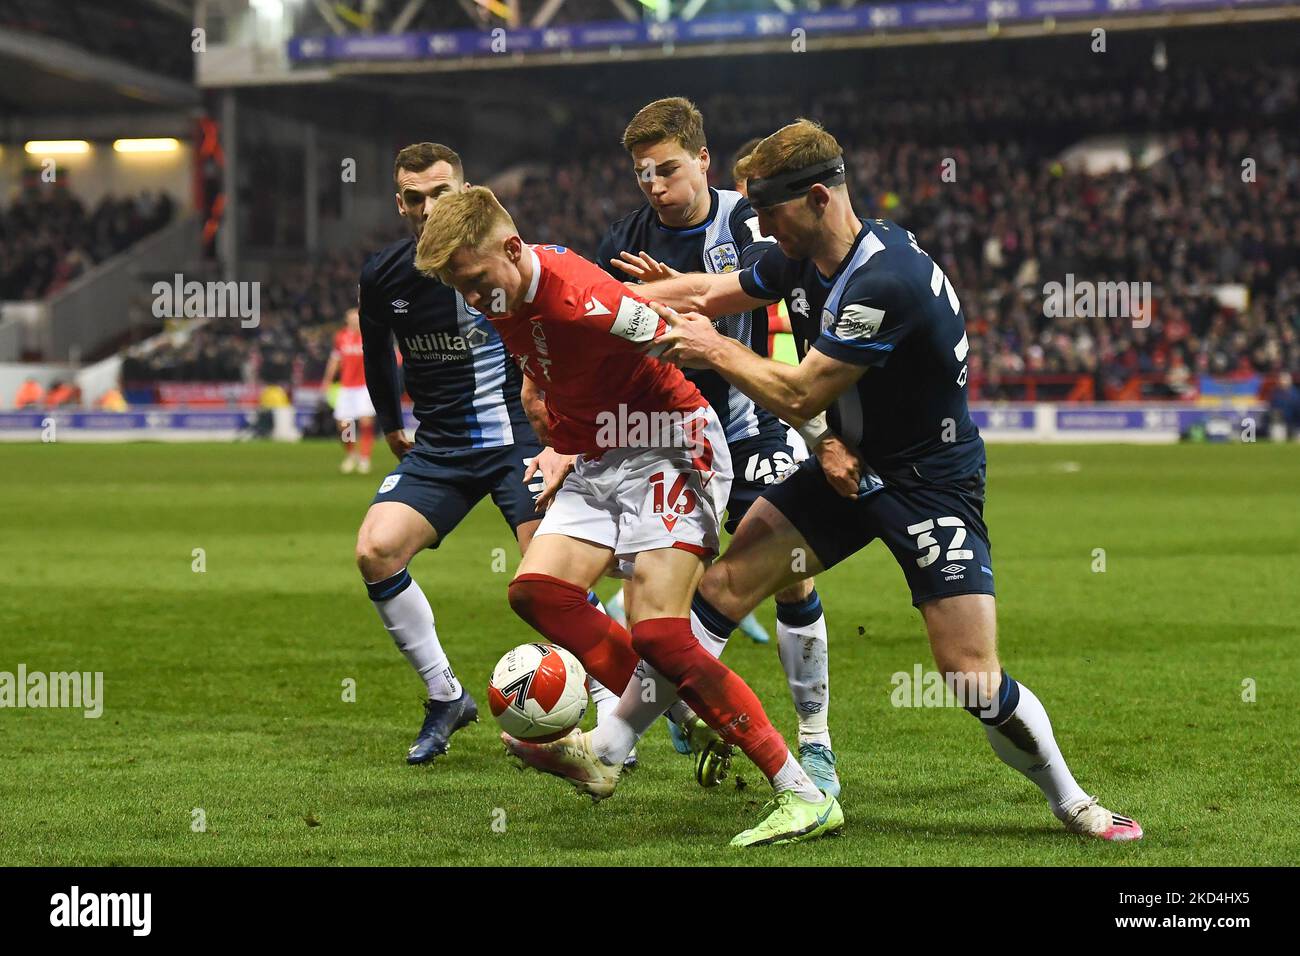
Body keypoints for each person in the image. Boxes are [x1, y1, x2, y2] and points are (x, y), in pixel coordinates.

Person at [621, 119, 1143, 842]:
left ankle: (1071, 799)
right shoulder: (806, 252)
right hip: (842, 465)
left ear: (813, 200)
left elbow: (801, 393)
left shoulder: (882, 280)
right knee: (722, 590)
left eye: (766, 212)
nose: (757, 226)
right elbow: (719, 289)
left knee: (969, 675)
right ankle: (615, 748)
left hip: (926, 482)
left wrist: (710, 350)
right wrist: (629, 303)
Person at [417, 185, 843, 846]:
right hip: (598, 451)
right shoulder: (499, 291)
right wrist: (560, 441)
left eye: (472, 282)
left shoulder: (581, 298)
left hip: (672, 444)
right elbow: (543, 368)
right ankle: (677, 712)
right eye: (458, 287)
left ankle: (801, 791)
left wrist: (822, 436)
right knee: (537, 591)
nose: (471, 299)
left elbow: (682, 335)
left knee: (662, 638)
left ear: (510, 248)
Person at [593, 97, 842, 796]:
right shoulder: (621, 239)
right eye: (642, 175)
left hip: (751, 423)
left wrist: (677, 309)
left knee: (793, 569)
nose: (654, 186)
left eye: (666, 169)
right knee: (655, 607)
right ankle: (676, 706)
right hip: (669, 440)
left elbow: (767, 287)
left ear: (702, 159)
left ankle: (815, 743)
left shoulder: (749, 219)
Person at [355, 143, 546, 764]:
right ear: (400, 204)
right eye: (416, 197)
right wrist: (390, 425)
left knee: (547, 580)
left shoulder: (505, 260)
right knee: (376, 551)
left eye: (443, 193)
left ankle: (614, 705)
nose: (429, 207)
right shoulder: (383, 276)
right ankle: (446, 696)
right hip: (440, 445)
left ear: (465, 193)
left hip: (517, 436)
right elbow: (378, 354)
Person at [321, 308, 376, 474]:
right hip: (346, 388)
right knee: (345, 426)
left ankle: (365, 458)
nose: (354, 321)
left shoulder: (369, 335)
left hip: (364, 386)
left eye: (357, 318)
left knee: (366, 422)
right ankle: (351, 455)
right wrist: (327, 381)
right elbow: (335, 359)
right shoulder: (340, 337)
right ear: (347, 320)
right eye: (351, 318)